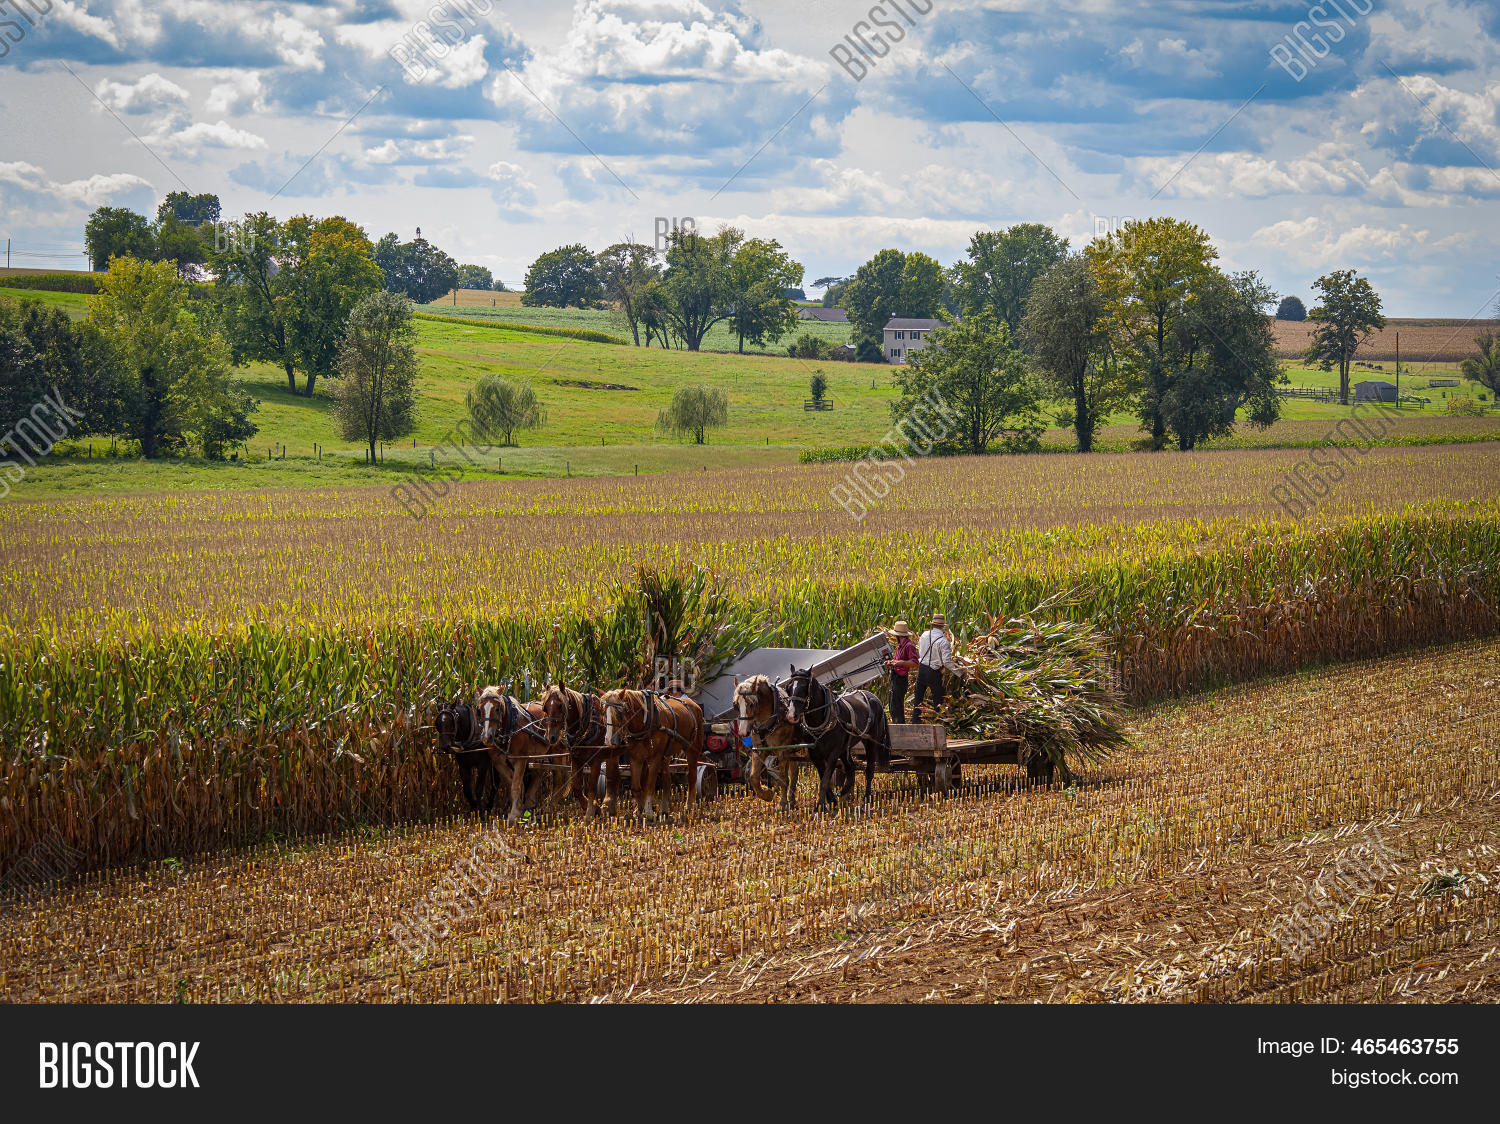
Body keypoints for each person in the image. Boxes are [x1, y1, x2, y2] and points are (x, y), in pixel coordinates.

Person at [913, 612, 958, 721]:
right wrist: (959, 672)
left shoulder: (924, 636)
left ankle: (915, 721)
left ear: (932, 624)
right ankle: (937, 722)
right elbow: (947, 662)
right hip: (933, 672)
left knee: (918, 697)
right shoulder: (943, 641)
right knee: (938, 699)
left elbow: (920, 651)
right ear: (942, 627)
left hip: (922, 668)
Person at [885, 620, 918, 723]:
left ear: (898, 636)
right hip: (895, 677)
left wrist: (899, 663)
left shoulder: (909, 645)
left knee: (897, 706)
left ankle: (899, 726)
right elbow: (897, 660)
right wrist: (891, 662)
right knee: (893, 705)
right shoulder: (900, 646)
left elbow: (915, 662)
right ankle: (896, 724)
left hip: (901, 679)